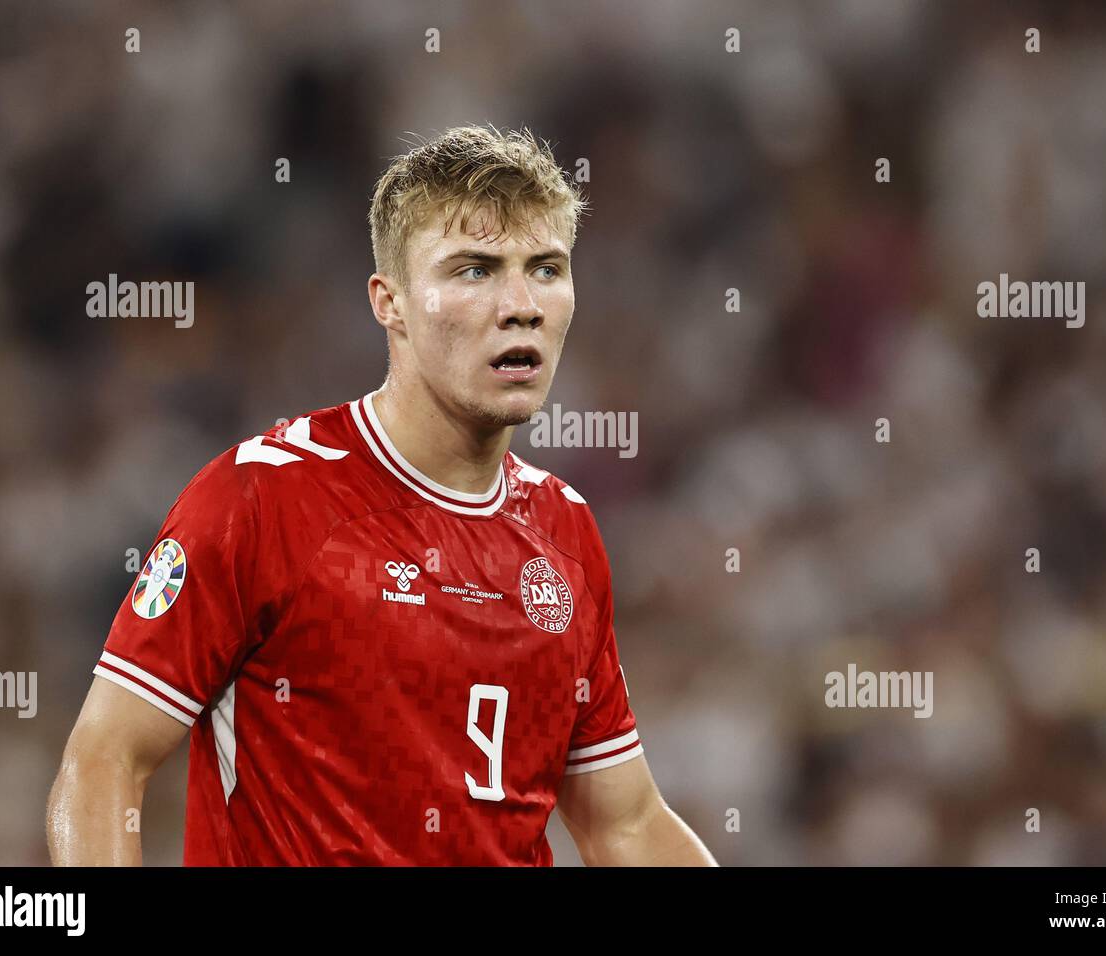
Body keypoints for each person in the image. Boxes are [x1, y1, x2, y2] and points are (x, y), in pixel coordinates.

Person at [46, 125, 716, 866]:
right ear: (389, 303)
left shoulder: (565, 531)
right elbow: (105, 761)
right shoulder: (261, 497)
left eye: (546, 268)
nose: (521, 303)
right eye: (475, 270)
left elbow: (624, 824)